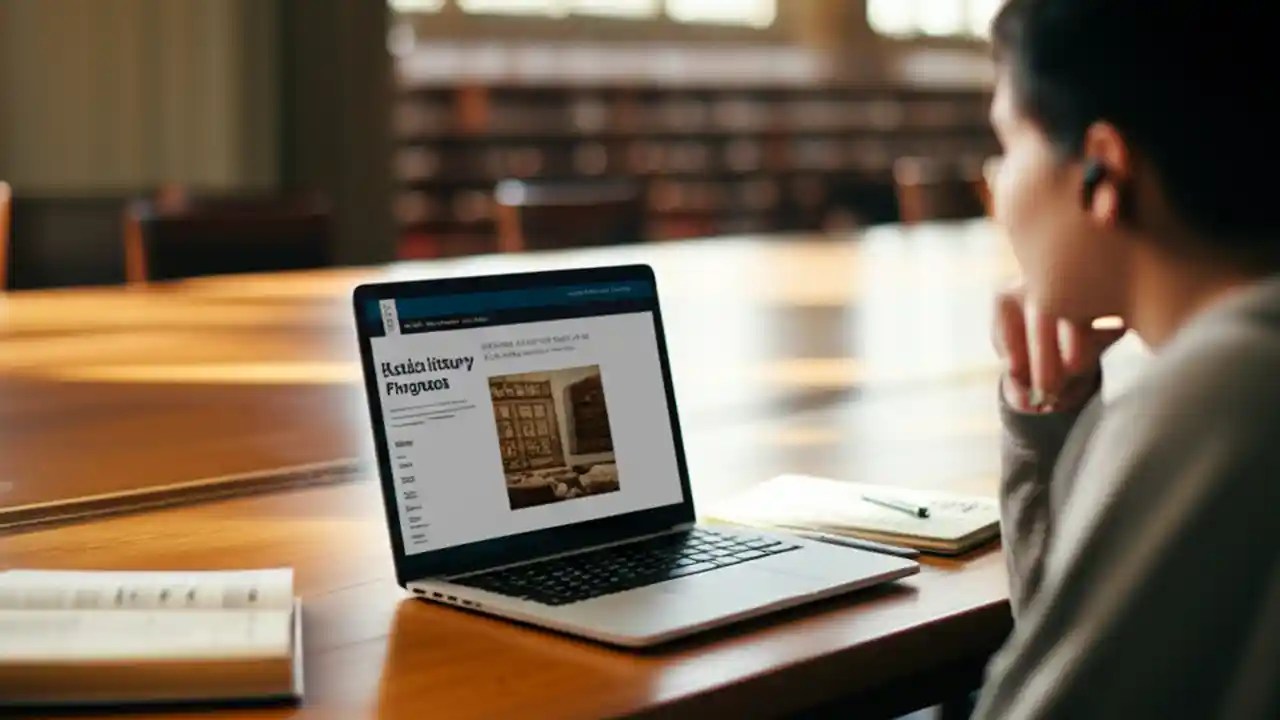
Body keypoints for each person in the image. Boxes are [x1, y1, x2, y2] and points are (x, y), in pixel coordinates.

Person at [974, 0, 1280, 717]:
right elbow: (1082, 649)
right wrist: (1045, 418)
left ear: (1102, 170)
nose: (997, 189)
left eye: (1007, 145)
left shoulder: (1218, 396)